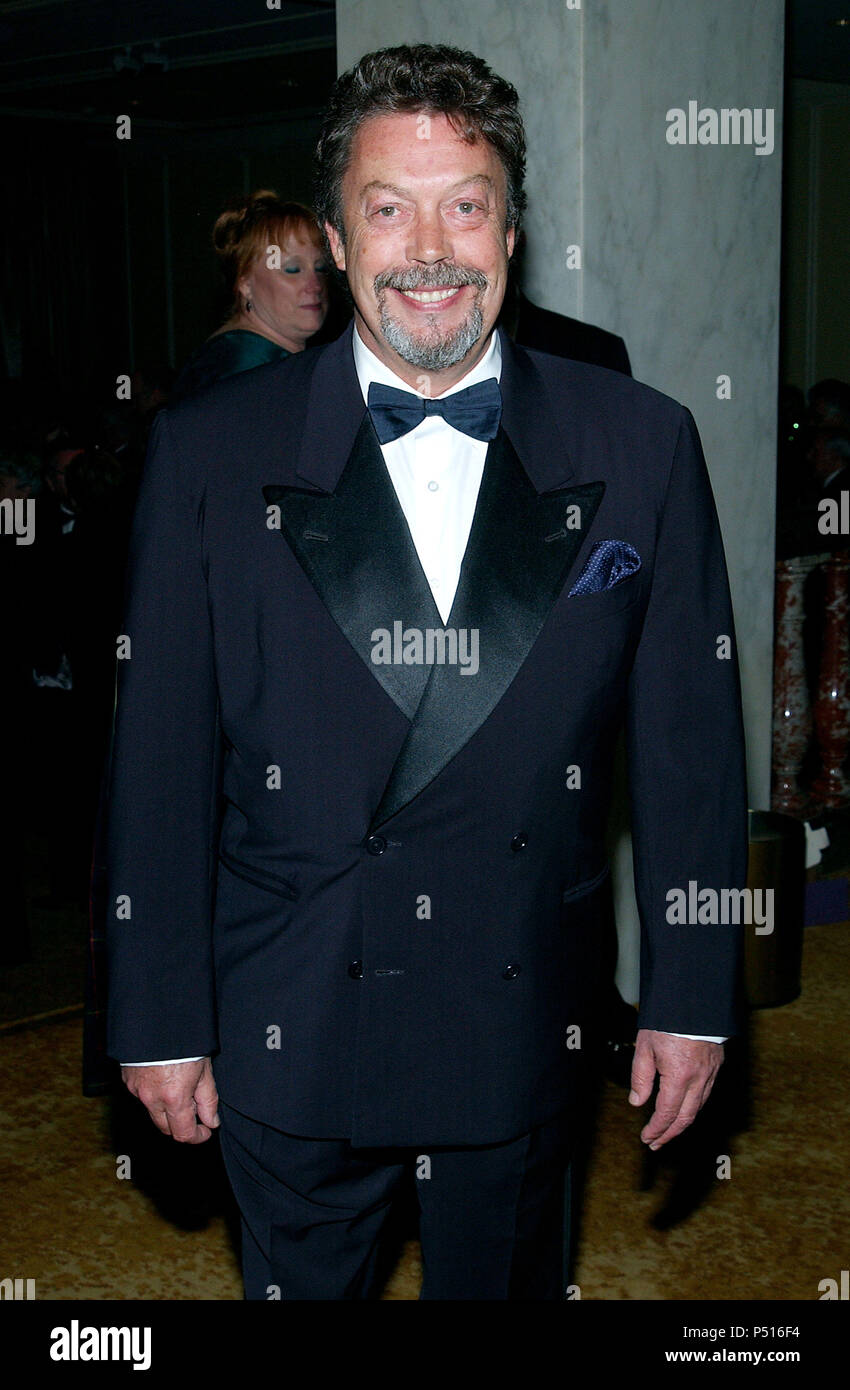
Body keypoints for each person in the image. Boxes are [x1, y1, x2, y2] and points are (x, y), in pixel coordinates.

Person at [107, 43, 748, 1301]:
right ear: (339, 239)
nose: (430, 247)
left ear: (513, 227)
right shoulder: (208, 451)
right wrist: (160, 1015)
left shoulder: (640, 442)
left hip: (515, 1014)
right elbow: (160, 760)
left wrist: (693, 994)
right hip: (287, 1011)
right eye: (387, 208)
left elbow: (689, 750)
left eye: (466, 203)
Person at [170, 193, 330, 403]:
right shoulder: (245, 367)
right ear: (245, 283)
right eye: (292, 269)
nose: (315, 285)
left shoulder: (245, 357)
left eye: (320, 267)